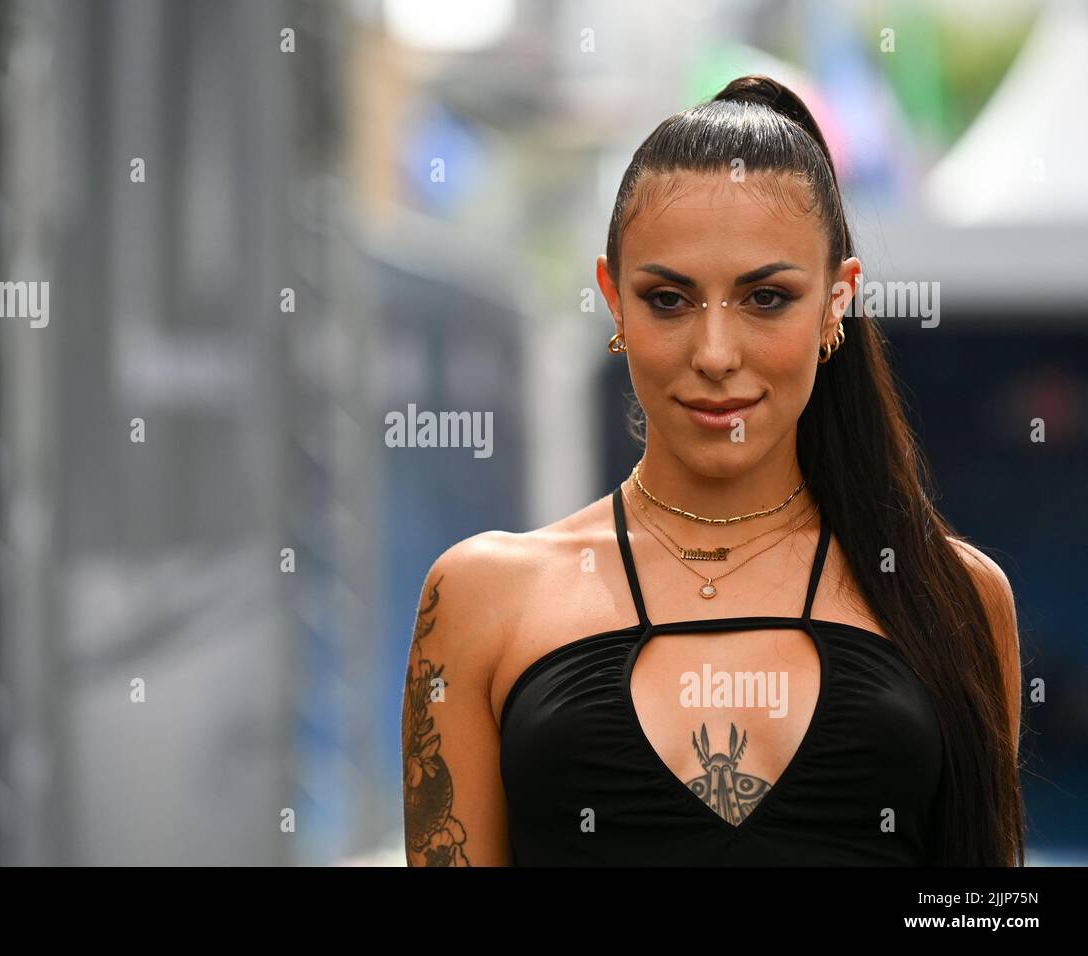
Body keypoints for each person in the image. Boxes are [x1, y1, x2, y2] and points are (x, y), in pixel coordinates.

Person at [401, 75, 1024, 866]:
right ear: (613, 300)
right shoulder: (482, 596)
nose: (716, 355)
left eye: (766, 298)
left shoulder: (954, 594)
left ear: (837, 303)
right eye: (668, 299)